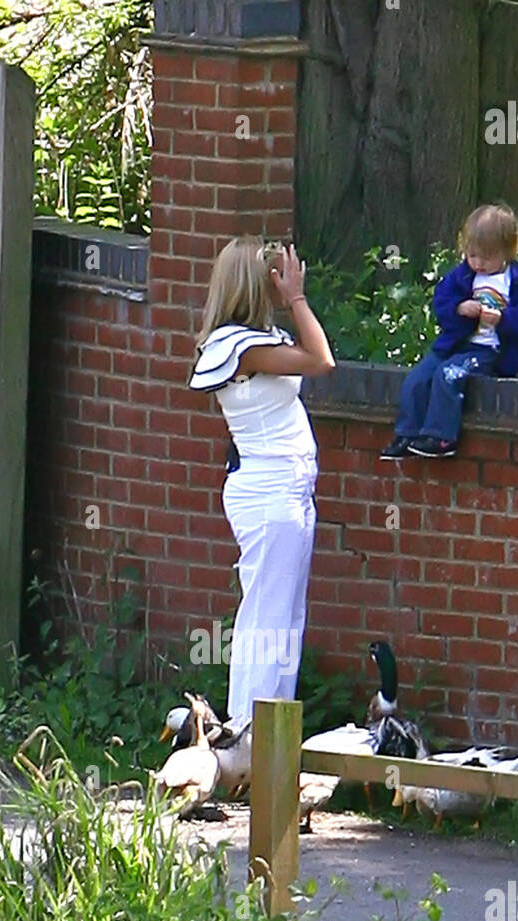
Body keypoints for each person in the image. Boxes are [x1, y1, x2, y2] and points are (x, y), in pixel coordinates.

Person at [189, 239, 335, 727]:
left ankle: (267, 746)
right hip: (271, 492)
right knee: (267, 623)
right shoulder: (244, 347)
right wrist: (297, 298)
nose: (280, 280)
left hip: (286, 490)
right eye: (270, 276)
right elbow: (321, 360)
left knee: (284, 623)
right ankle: (244, 737)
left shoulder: (252, 339)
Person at [381, 204, 518, 460]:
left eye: (485, 257)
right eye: (472, 256)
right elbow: (442, 302)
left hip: (490, 350)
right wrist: (459, 308)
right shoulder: (462, 276)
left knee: (449, 376)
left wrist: (503, 319)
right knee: (418, 378)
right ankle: (408, 433)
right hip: (455, 343)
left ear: (507, 252)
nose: (477, 263)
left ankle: (442, 436)